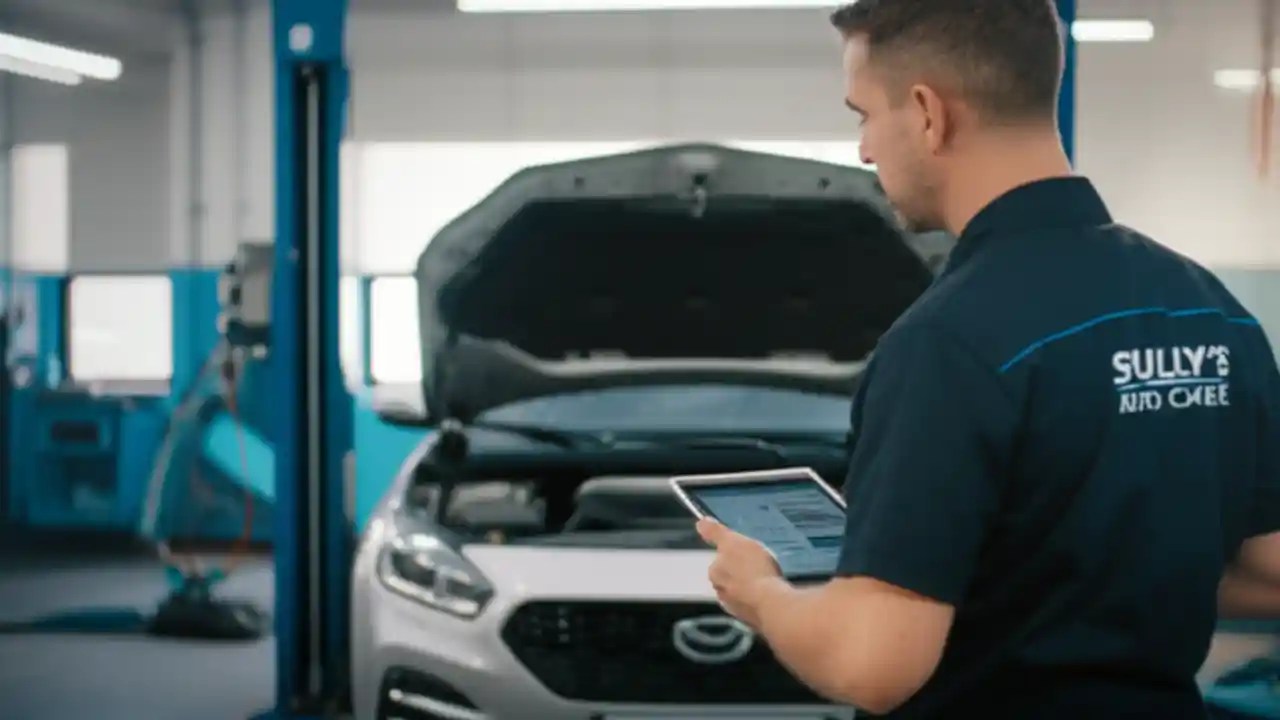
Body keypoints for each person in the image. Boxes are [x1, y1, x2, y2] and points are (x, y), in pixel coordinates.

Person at [694, 1, 1280, 718]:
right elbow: (1270, 573)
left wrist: (762, 593)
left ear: (928, 113)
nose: (865, 151)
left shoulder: (947, 342)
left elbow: (874, 664)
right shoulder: (1205, 307)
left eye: (864, 115)